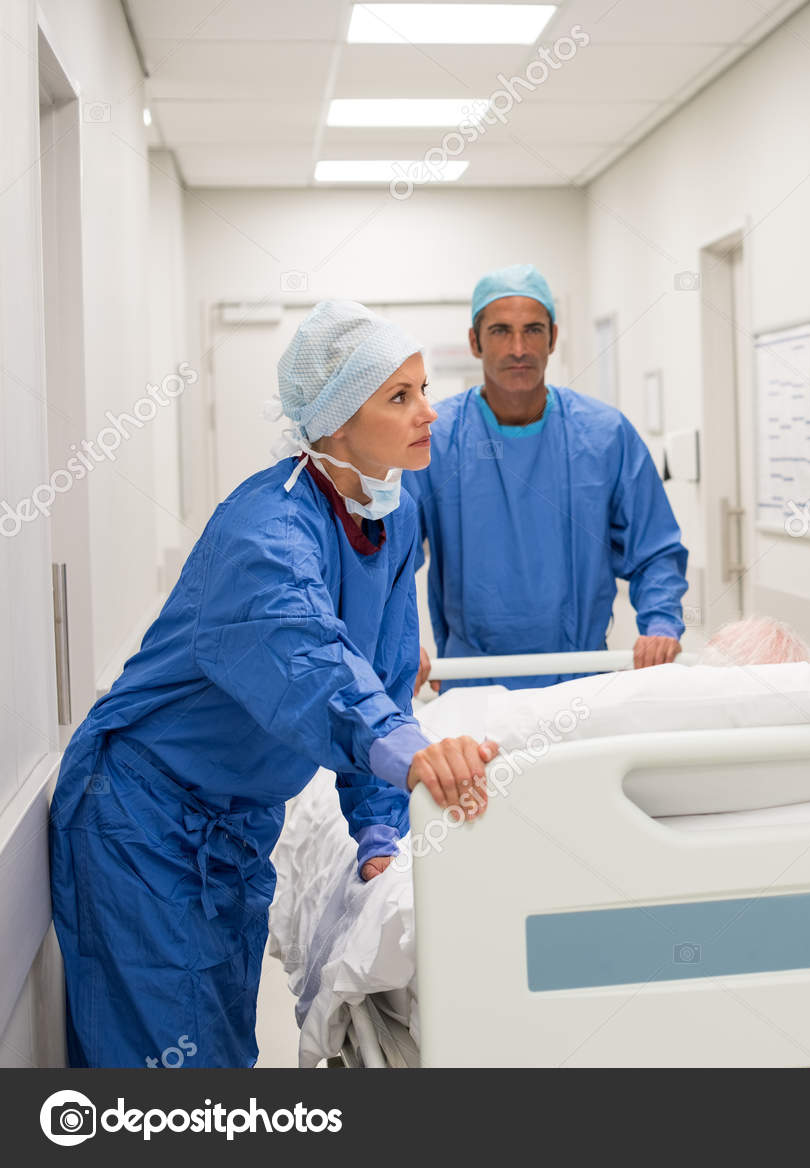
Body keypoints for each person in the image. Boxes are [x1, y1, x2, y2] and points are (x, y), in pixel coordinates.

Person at [48, 301, 498, 1068]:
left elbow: (385, 673)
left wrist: (379, 828)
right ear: (336, 422)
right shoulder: (267, 530)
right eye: (400, 396)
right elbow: (311, 665)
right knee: (167, 1073)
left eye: (424, 389)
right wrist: (413, 754)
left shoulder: (394, 515)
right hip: (143, 819)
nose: (429, 412)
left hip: (236, 823)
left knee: (219, 1047)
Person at [406, 264, 689, 691]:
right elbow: (391, 558)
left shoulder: (605, 435)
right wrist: (399, 639)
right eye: (501, 331)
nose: (518, 348)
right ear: (475, 342)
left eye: (533, 330)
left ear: (553, 338)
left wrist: (661, 625)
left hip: (580, 681)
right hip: (473, 684)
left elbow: (654, 550)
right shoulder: (436, 440)